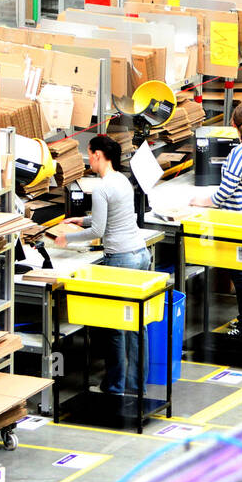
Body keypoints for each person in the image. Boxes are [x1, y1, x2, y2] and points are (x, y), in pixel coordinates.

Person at [53, 135, 152, 396]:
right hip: (140, 254)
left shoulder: (100, 188)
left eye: (89, 154)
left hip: (121, 259)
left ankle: (115, 386)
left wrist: (66, 238)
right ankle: (136, 384)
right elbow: (110, 218)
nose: (89, 160)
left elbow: (99, 229)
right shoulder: (122, 181)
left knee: (117, 327)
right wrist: (80, 221)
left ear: (97, 155)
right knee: (137, 324)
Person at [190, 103, 242, 341]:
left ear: (232, 125)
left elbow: (224, 192)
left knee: (241, 273)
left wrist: (201, 201)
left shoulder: (240, 152)